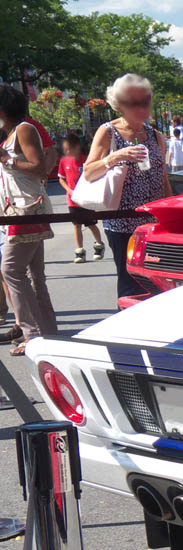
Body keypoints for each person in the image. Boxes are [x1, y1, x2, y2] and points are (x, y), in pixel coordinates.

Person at [81, 73, 171, 303]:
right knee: (131, 282)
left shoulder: (155, 135)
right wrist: (115, 156)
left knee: (158, 281)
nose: (141, 107)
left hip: (153, 222)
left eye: (145, 101)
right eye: (134, 103)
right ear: (119, 106)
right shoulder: (108, 132)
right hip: (122, 223)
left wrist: (171, 215)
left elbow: (164, 179)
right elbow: (89, 171)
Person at [0, 83, 56, 356]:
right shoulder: (10, 132)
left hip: (27, 208)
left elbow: (39, 167)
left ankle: (32, 333)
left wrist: (5, 160)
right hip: (21, 208)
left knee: (10, 270)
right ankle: (47, 332)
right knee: (34, 275)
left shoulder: (23, 129)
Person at [57, 133, 105, 263]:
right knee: (76, 225)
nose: (66, 151)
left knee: (91, 224)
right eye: (65, 149)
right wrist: (69, 190)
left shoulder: (87, 160)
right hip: (72, 201)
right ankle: (80, 251)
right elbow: (61, 179)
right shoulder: (64, 161)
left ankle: (99, 245)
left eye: (69, 148)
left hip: (86, 199)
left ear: (77, 147)